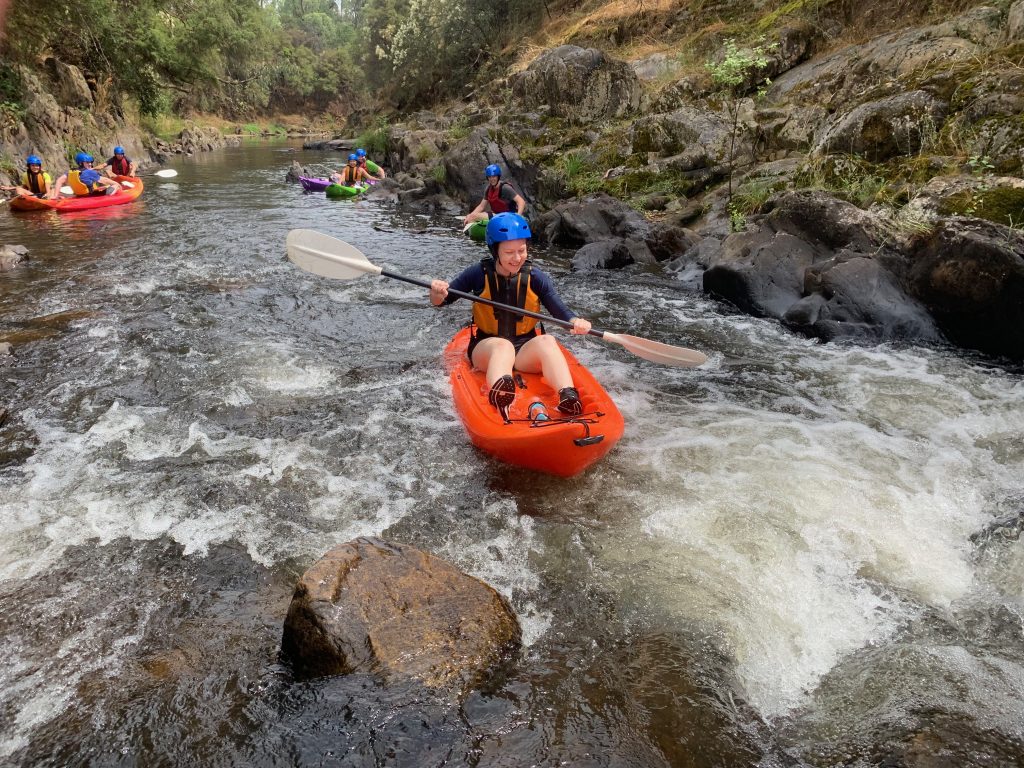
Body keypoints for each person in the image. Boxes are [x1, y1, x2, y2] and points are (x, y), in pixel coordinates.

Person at [429, 212, 590, 418]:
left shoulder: (535, 276)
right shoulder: (477, 274)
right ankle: (500, 392)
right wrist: (436, 292)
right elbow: (441, 301)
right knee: (502, 346)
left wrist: (576, 322)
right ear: (495, 251)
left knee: (548, 340)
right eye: (509, 252)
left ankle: (568, 396)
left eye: (521, 250)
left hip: (524, 349)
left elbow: (560, 311)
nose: (517, 258)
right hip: (487, 348)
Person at [52, 152, 120, 197]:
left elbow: (59, 180)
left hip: (79, 196)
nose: (90, 164)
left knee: (103, 187)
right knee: (115, 185)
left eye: (90, 162)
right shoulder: (89, 172)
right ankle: (109, 198)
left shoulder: (71, 172)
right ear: (81, 163)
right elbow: (104, 180)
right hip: (90, 196)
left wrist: (55, 196)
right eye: (87, 162)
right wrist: (117, 184)